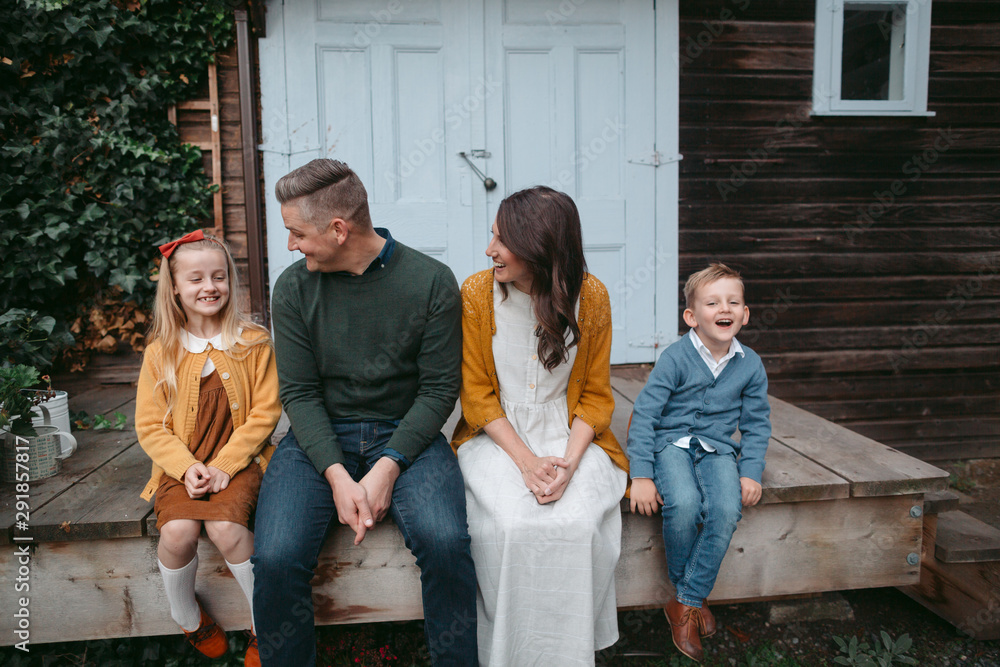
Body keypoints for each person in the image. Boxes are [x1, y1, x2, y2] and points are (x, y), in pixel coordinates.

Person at [252, 159, 477, 666]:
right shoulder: (293, 288)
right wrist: (337, 475)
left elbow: (439, 390)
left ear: (338, 229)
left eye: (297, 233)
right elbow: (300, 393)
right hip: (318, 436)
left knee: (446, 543)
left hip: (407, 433)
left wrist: (388, 467)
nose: (290, 245)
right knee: (276, 557)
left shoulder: (431, 281)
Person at [451, 186, 629, 666]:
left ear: (539, 246)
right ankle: (511, 654)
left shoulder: (591, 297)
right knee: (511, 523)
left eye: (501, 240)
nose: (489, 250)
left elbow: (595, 396)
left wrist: (568, 464)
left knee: (578, 521)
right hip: (497, 435)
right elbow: (477, 395)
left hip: (570, 435)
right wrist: (528, 464)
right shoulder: (476, 294)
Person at [136, 230, 281, 667]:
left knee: (226, 529)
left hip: (241, 461)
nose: (209, 287)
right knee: (177, 533)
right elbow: (149, 426)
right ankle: (185, 615)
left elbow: (265, 412)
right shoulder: (160, 352)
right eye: (196, 278)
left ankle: (265, 622)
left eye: (219, 277)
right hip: (181, 466)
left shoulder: (253, 342)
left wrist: (225, 464)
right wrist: (185, 467)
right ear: (175, 288)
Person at [626, 263, 771, 663]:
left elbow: (757, 424)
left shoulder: (750, 364)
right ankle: (692, 597)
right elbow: (645, 415)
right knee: (685, 503)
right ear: (691, 316)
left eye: (733, 302)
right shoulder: (675, 357)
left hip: (718, 448)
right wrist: (641, 475)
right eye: (713, 303)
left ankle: (684, 599)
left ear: (745, 313)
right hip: (669, 444)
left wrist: (751, 472)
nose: (724, 308)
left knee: (725, 508)